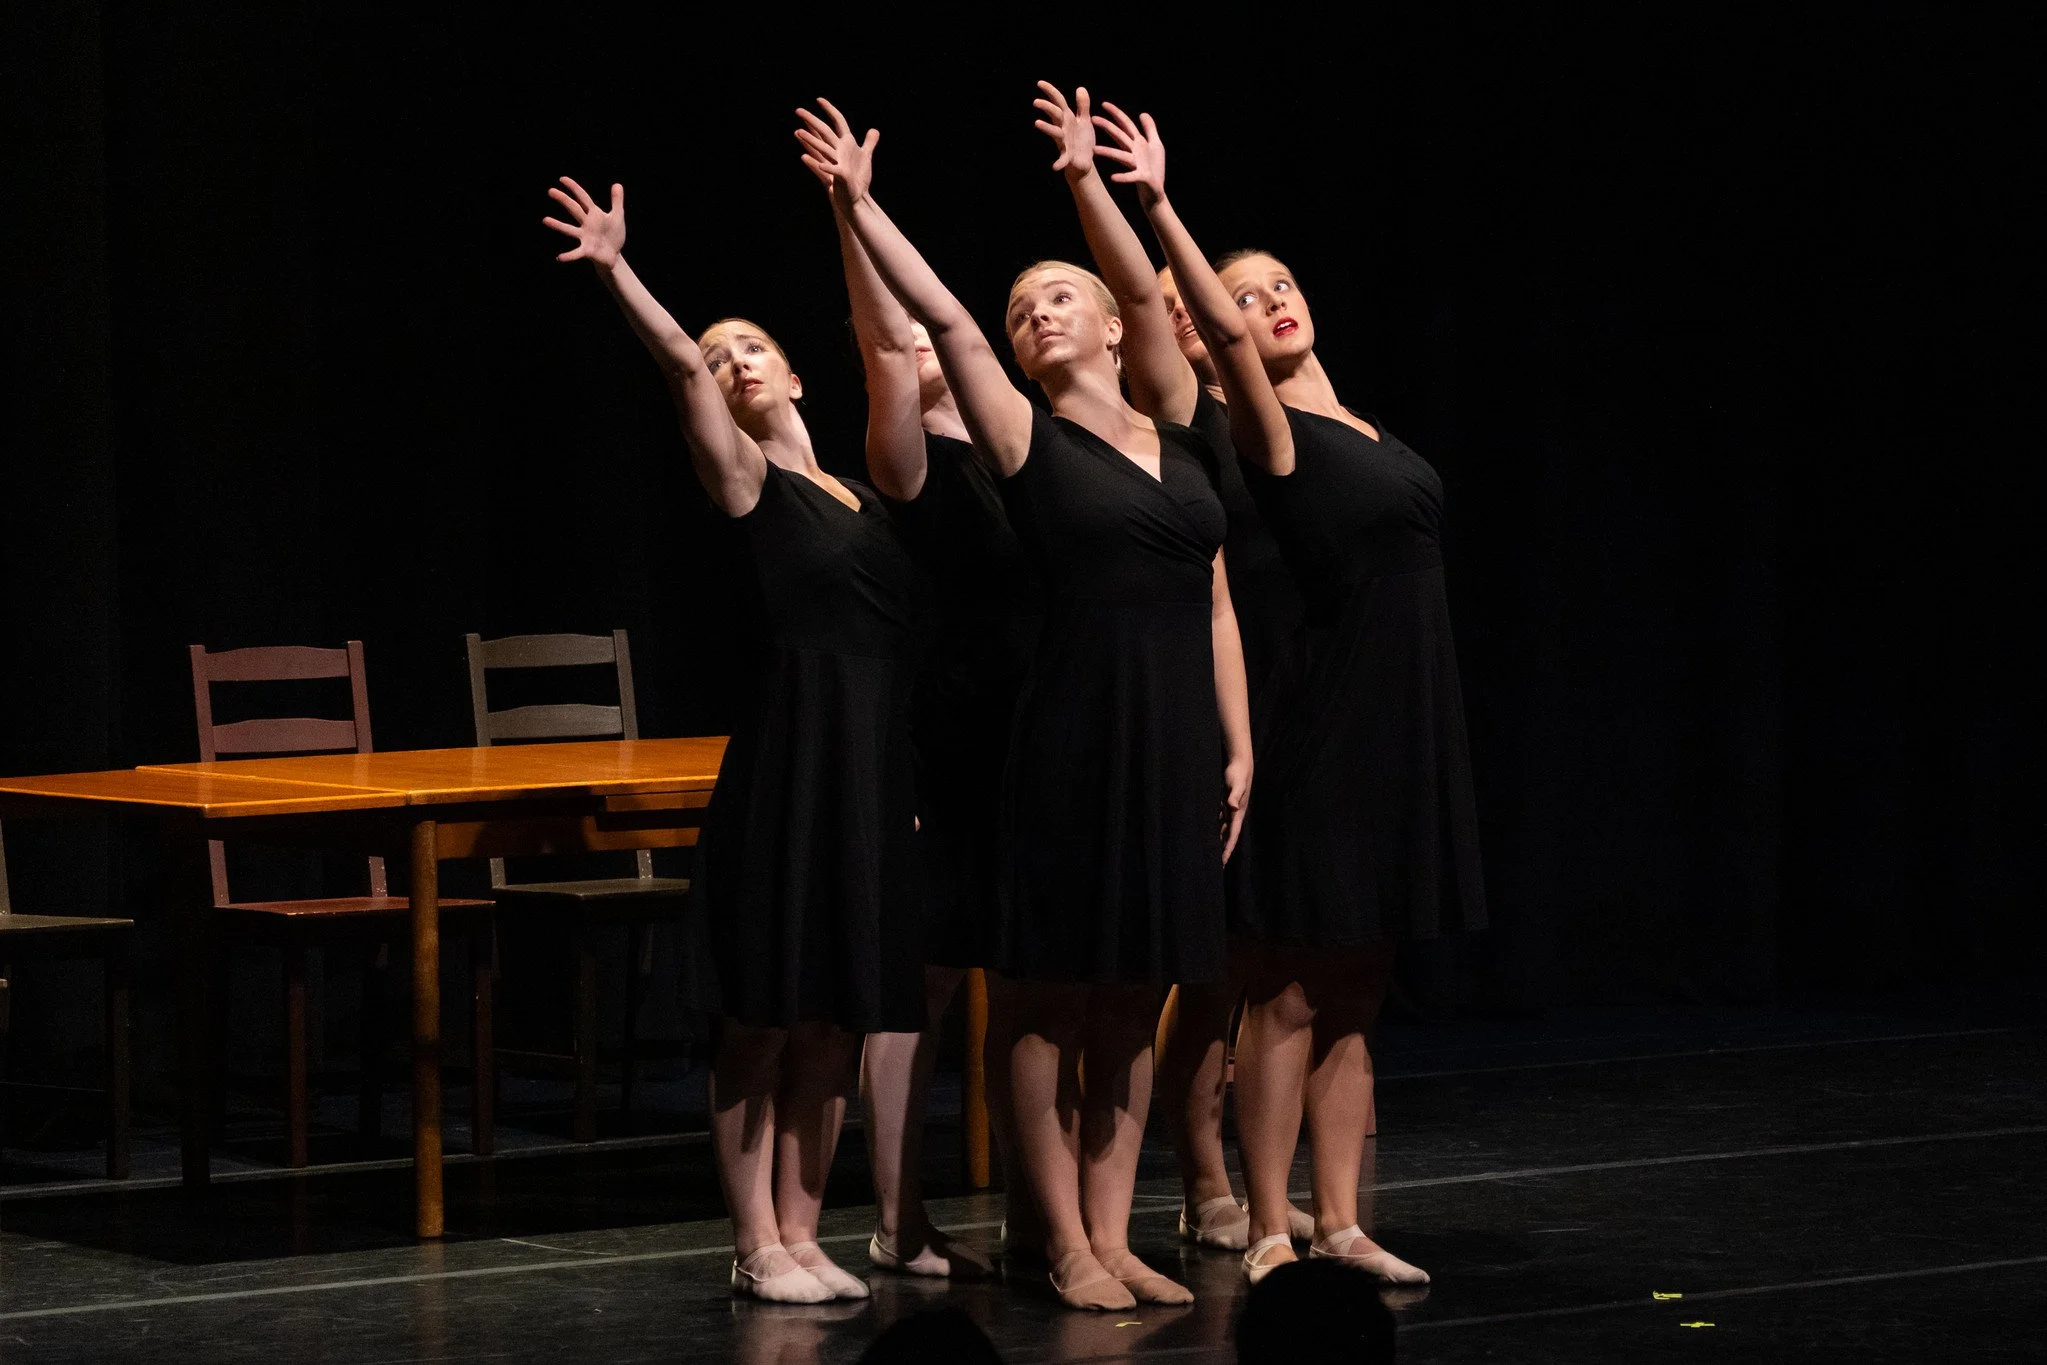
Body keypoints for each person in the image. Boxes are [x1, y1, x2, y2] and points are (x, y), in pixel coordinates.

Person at [795, 96, 1252, 1311]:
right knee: (1049, 997)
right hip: (1069, 744)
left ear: (1108, 321)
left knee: (1133, 1003)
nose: (1035, 312)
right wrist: (857, 202)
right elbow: (933, 322)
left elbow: (1215, 603)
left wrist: (1097, 186)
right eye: (1021, 308)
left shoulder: (1182, 439)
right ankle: (1061, 1243)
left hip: (1173, 746)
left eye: (1059, 297)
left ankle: (1115, 1234)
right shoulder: (1025, 444)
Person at [1094, 102, 1486, 1284]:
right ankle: (1260, 1218)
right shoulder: (1253, 425)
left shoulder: (1359, 425)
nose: (1267, 300)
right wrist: (1153, 204)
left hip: (1401, 716)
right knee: (1278, 977)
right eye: (1243, 294)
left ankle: (1342, 1216)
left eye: (1282, 284)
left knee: (1359, 984)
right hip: (1309, 711)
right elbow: (1203, 328)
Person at [545, 175, 926, 1303]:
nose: (734, 362)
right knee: (761, 1011)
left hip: (867, 768)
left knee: (835, 1015)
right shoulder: (748, 482)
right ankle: (755, 1239)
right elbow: (670, 364)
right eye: (720, 359)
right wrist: (619, 269)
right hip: (787, 766)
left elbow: (899, 351)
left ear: (796, 371)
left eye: (752, 347)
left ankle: (806, 1233)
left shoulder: (864, 494)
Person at [1026, 83, 1317, 1254]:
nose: (1219, 319)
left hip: (1227, 699)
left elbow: (1222, 601)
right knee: (1139, 981)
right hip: (1127, 704)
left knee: (1237, 963)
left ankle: (1229, 1200)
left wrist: (1239, 737)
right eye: (1217, 306)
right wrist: (1111, 190)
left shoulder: (1222, 429)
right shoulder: (1138, 421)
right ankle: (1159, 1201)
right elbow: (1144, 293)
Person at [803, 149, 1029, 1281]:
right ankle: (898, 1213)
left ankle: (1044, 1217)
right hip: (935, 750)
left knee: (1022, 973)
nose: (933, 353)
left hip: (1022, 746)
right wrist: (853, 207)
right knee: (922, 982)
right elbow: (896, 340)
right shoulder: (906, 461)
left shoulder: (1020, 455)